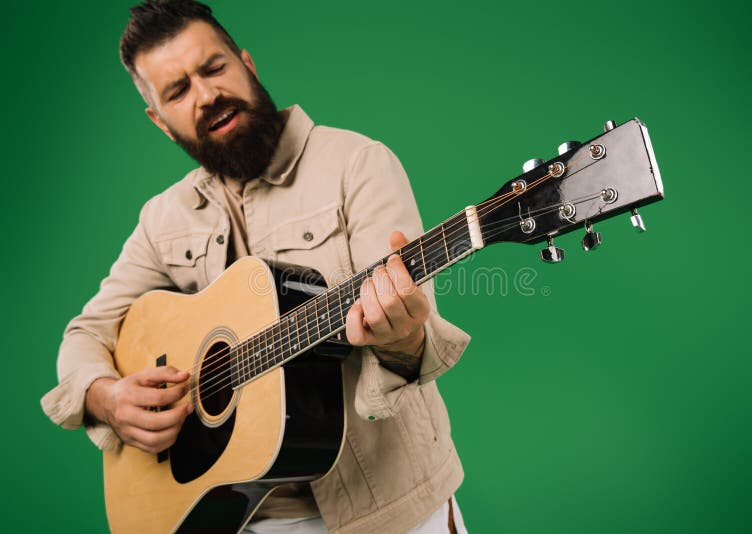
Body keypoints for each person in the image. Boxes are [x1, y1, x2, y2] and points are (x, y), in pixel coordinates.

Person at [40, 1, 470, 532]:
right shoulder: (162, 220)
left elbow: (409, 339)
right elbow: (86, 334)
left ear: (246, 64)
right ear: (159, 120)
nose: (206, 95)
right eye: (177, 91)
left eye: (214, 68)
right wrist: (106, 398)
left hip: (390, 511)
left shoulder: (355, 165)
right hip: (237, 516)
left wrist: (402, 338)